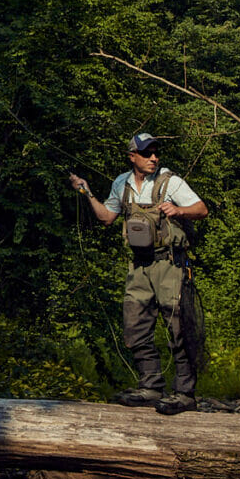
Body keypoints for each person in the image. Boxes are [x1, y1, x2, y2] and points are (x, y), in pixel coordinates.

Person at [68, 133, 208, 415]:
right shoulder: (121, 183)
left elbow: (202, 209)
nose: (153, 158)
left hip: (170, 264)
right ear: (132, 156)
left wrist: (179, 210)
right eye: (147, 153)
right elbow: (107, 217)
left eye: (156, 153)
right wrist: (86, 192)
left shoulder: (171, 182)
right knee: (136, 326)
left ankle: (184, 393)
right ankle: (150, 387)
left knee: (179, 327)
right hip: (139, 267)